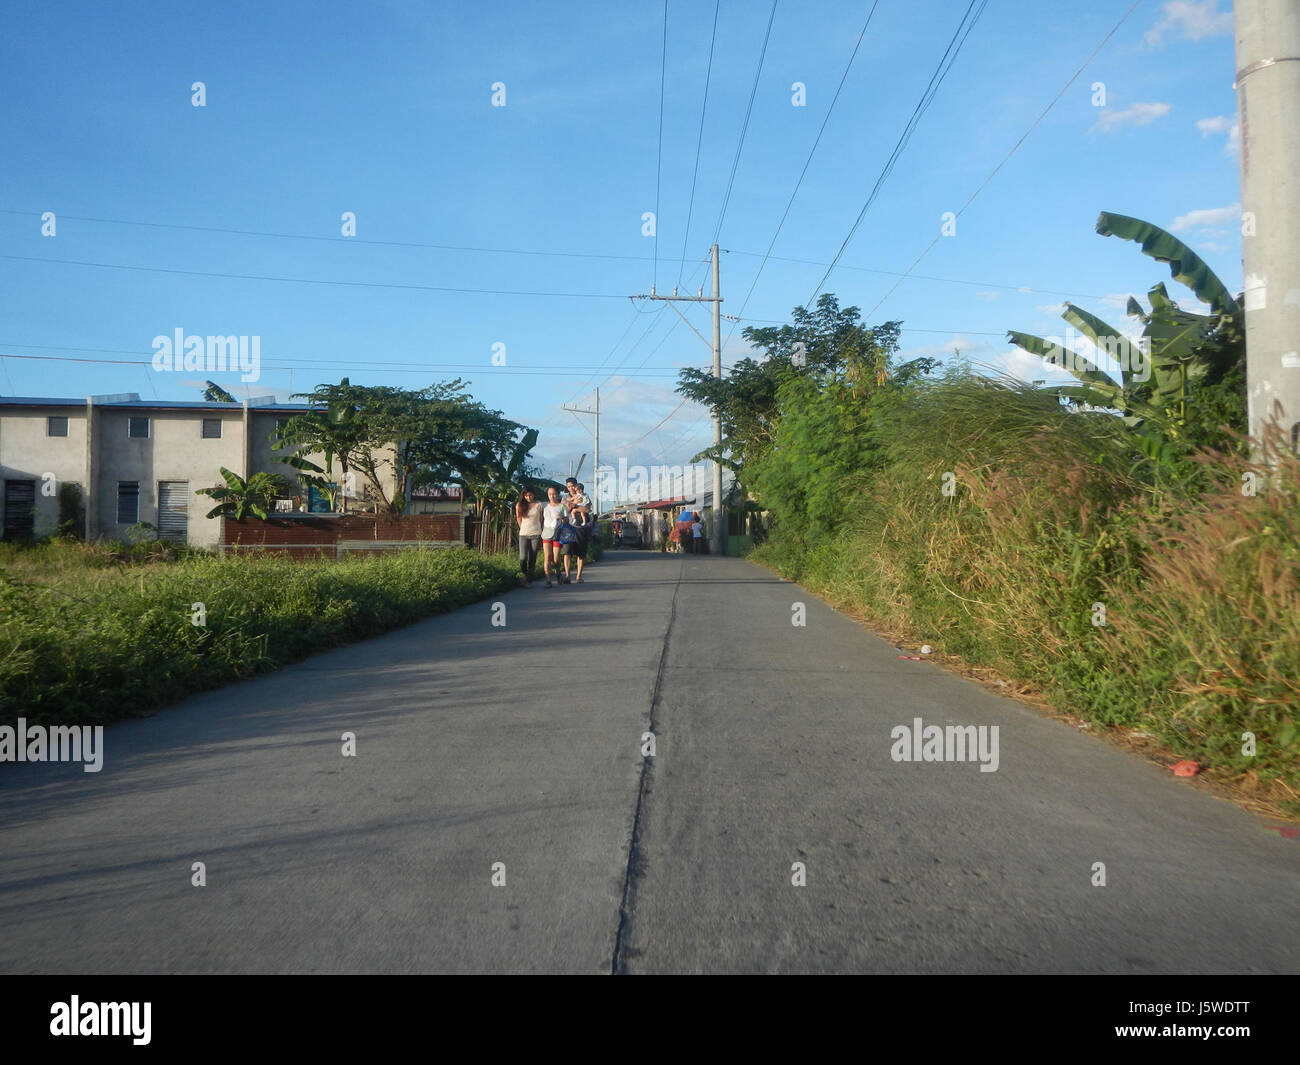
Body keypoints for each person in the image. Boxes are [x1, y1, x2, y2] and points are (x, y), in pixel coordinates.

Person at [540, 486, 570, 587]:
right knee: (547, 557)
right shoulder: (544, 505)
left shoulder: (562, 506)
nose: (552, 496)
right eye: (549, 494)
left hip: (558, 534)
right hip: (546, 534)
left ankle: (558, 573)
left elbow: (567, 520)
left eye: (554, 494)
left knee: (556, 559)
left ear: (557, 494)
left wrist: (561, 518)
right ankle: (548, 580)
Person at [515, 487, 544, 586]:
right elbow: (518, 518)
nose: (528, 497)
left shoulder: (539, 505)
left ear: (534, 494)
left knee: (533, 557)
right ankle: (524, 574)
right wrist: (522, 528)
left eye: (530, 495)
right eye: (526, 495)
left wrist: (540, 531)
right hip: (523, 534)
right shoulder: (519, 505)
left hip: (536, 534)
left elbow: (541, 519)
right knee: (522, 558)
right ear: (523, 496)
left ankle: (529, 580)